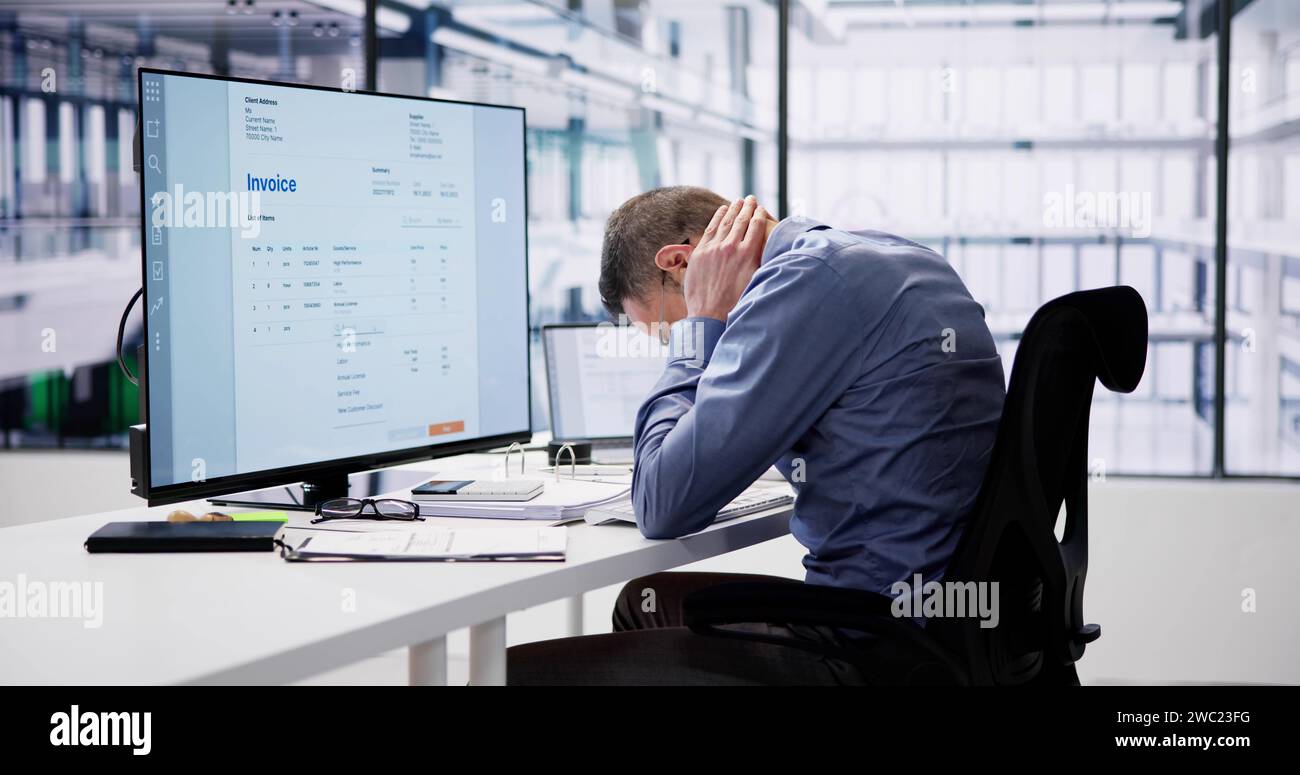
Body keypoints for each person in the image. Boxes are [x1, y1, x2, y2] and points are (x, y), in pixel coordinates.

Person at [509, 186, 1006, 684]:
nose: (679, 343)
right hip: (961, 619)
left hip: (875, 641)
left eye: (665, 329)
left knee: (508, 673)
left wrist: (699, 326)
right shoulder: (897, 256)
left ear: (681, 262)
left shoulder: (803, 281)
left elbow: (661, 505)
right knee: (646, 601)